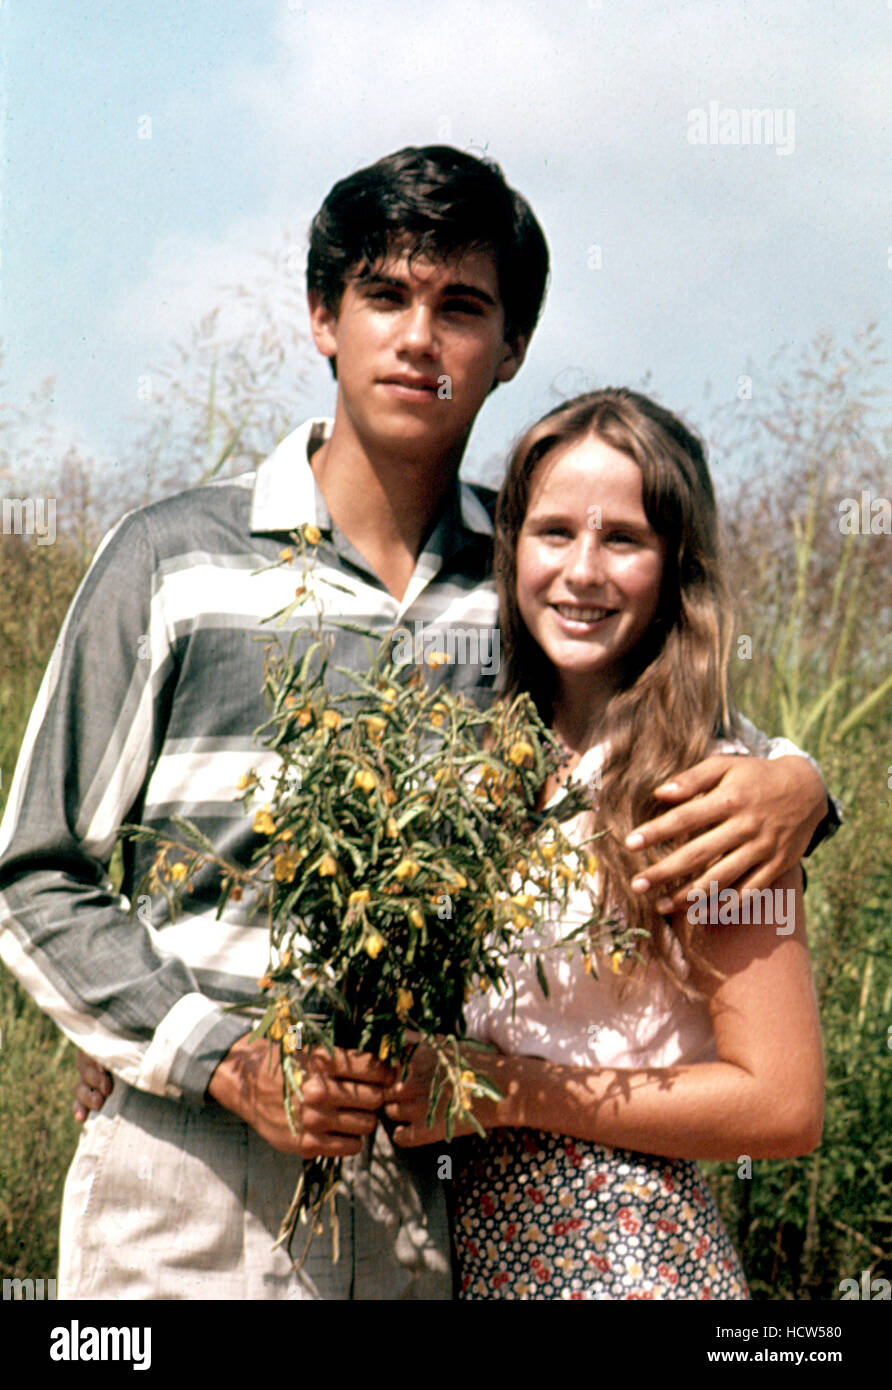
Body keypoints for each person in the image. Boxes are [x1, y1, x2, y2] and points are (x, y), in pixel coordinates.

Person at [1, 148, 832, 1301]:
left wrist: (799, 781)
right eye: (384, 294)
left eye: (462, 307)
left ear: (512, 349)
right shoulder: (172, 559)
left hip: (426, 1200)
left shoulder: (535, 577)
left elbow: (678, 733)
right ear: (321, 316)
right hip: (186, 1178)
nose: (417, 338)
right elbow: (35, 872)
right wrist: (218, 1059)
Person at [382, 388, 826, 1299]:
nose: (582, 570)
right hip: (460, 1252)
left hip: (627, 1257)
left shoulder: (707, 789)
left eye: (623, 539)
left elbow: (782, 1106)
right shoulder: (478, 765)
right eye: (553, 533)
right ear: (511, 553)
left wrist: (511, 1090)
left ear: (674, 567)